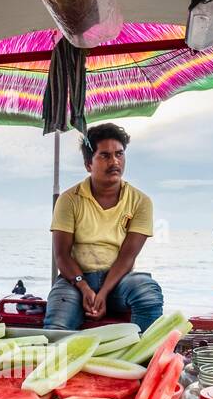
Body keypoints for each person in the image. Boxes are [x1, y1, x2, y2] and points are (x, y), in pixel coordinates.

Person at [45, 123, 163, 331]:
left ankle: (143, 359)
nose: (115, 161)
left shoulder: (140, 201)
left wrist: (103, 292)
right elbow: (62, 256)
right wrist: (84, 288)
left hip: (119, 281)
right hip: (75, 280)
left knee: (148, 292)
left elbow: (128, 257)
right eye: (105, 156)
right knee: (56, 325)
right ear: (88, 164)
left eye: (119, 154)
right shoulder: (69, 200)